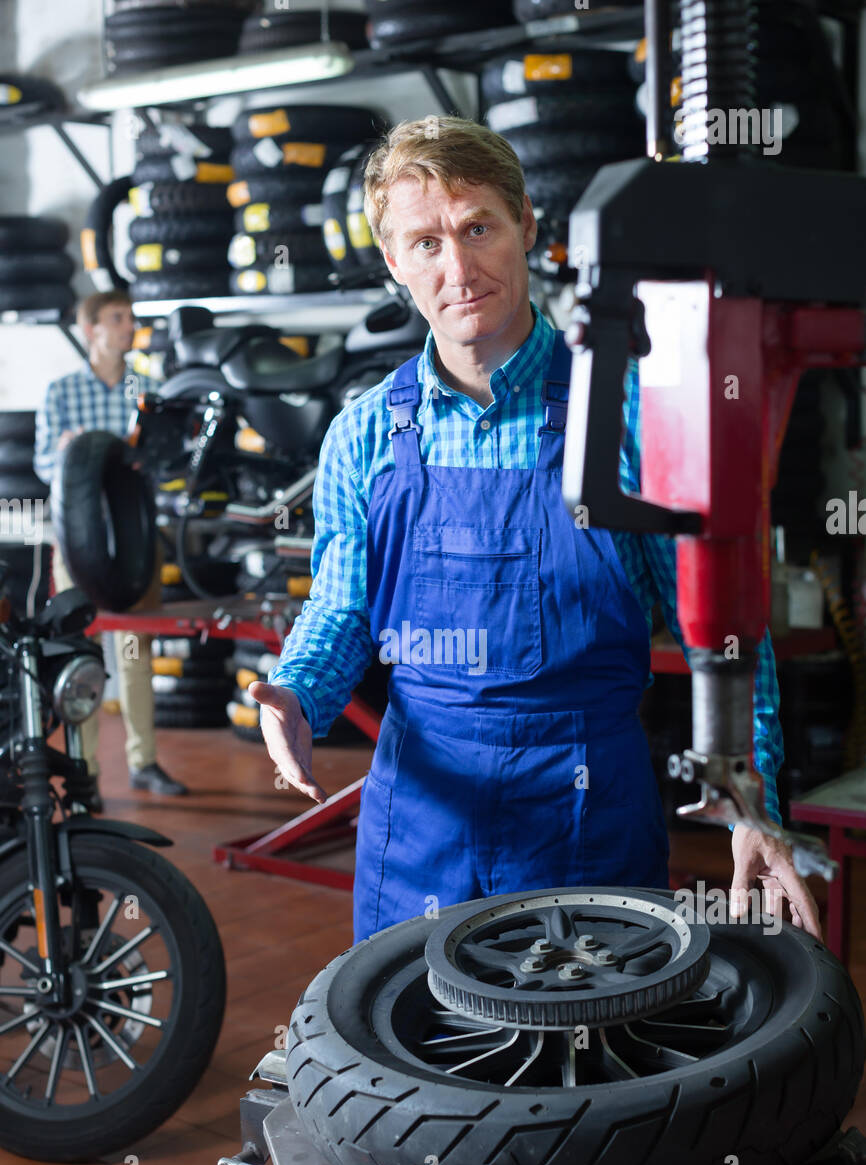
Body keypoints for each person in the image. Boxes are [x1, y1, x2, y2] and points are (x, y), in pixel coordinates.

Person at [251, 117, 821, 944]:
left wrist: (747, 801)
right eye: (425, 243)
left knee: (589, 1063)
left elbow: (725, 634)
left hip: (586, 808)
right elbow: (341, 611)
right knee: (418, 1055)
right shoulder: (365, 434)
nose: (459, 268)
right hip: (421, 817)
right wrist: (298, 694)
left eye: (478, 227)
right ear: (393, 264)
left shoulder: (625, 415)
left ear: (527, 222)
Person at [34, 289, 187, 809]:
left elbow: (162, 461)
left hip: (132, 544)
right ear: (92, 329)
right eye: (118, 319)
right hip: (77, 545)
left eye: (131, 319)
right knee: (83, 656)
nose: (129, 327)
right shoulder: (61, 392)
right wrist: (71, 451)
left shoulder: (146, 390)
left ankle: (143, 762)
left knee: (134, 651)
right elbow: (42, 463)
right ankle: (87, 773)